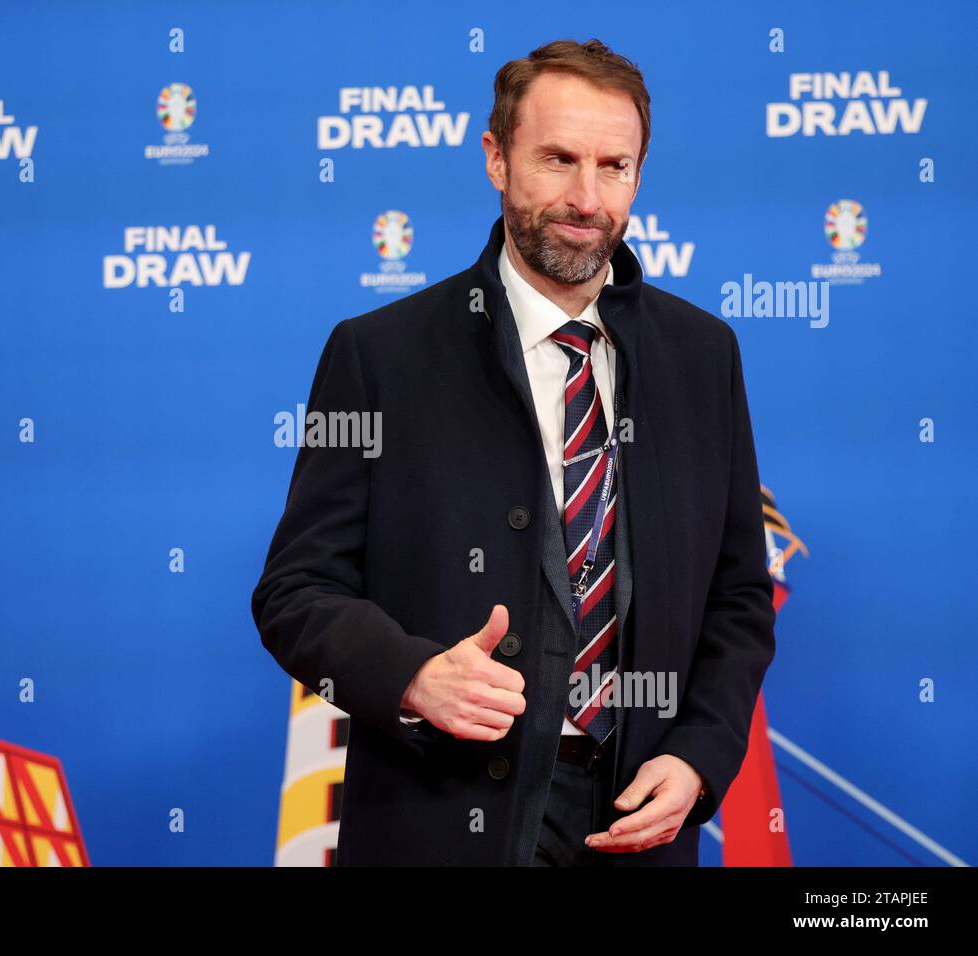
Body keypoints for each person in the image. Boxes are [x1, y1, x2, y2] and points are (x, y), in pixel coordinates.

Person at [251, 38, 776, 866]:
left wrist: (697, 759)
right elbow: (294, 590)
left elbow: (739, 596)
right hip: (438, 820)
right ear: (496, 158)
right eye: (557, 159)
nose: (586, 196)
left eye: (614, 166)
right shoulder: (378, 356)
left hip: (638, 827)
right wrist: (412, 676)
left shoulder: (704, 357)